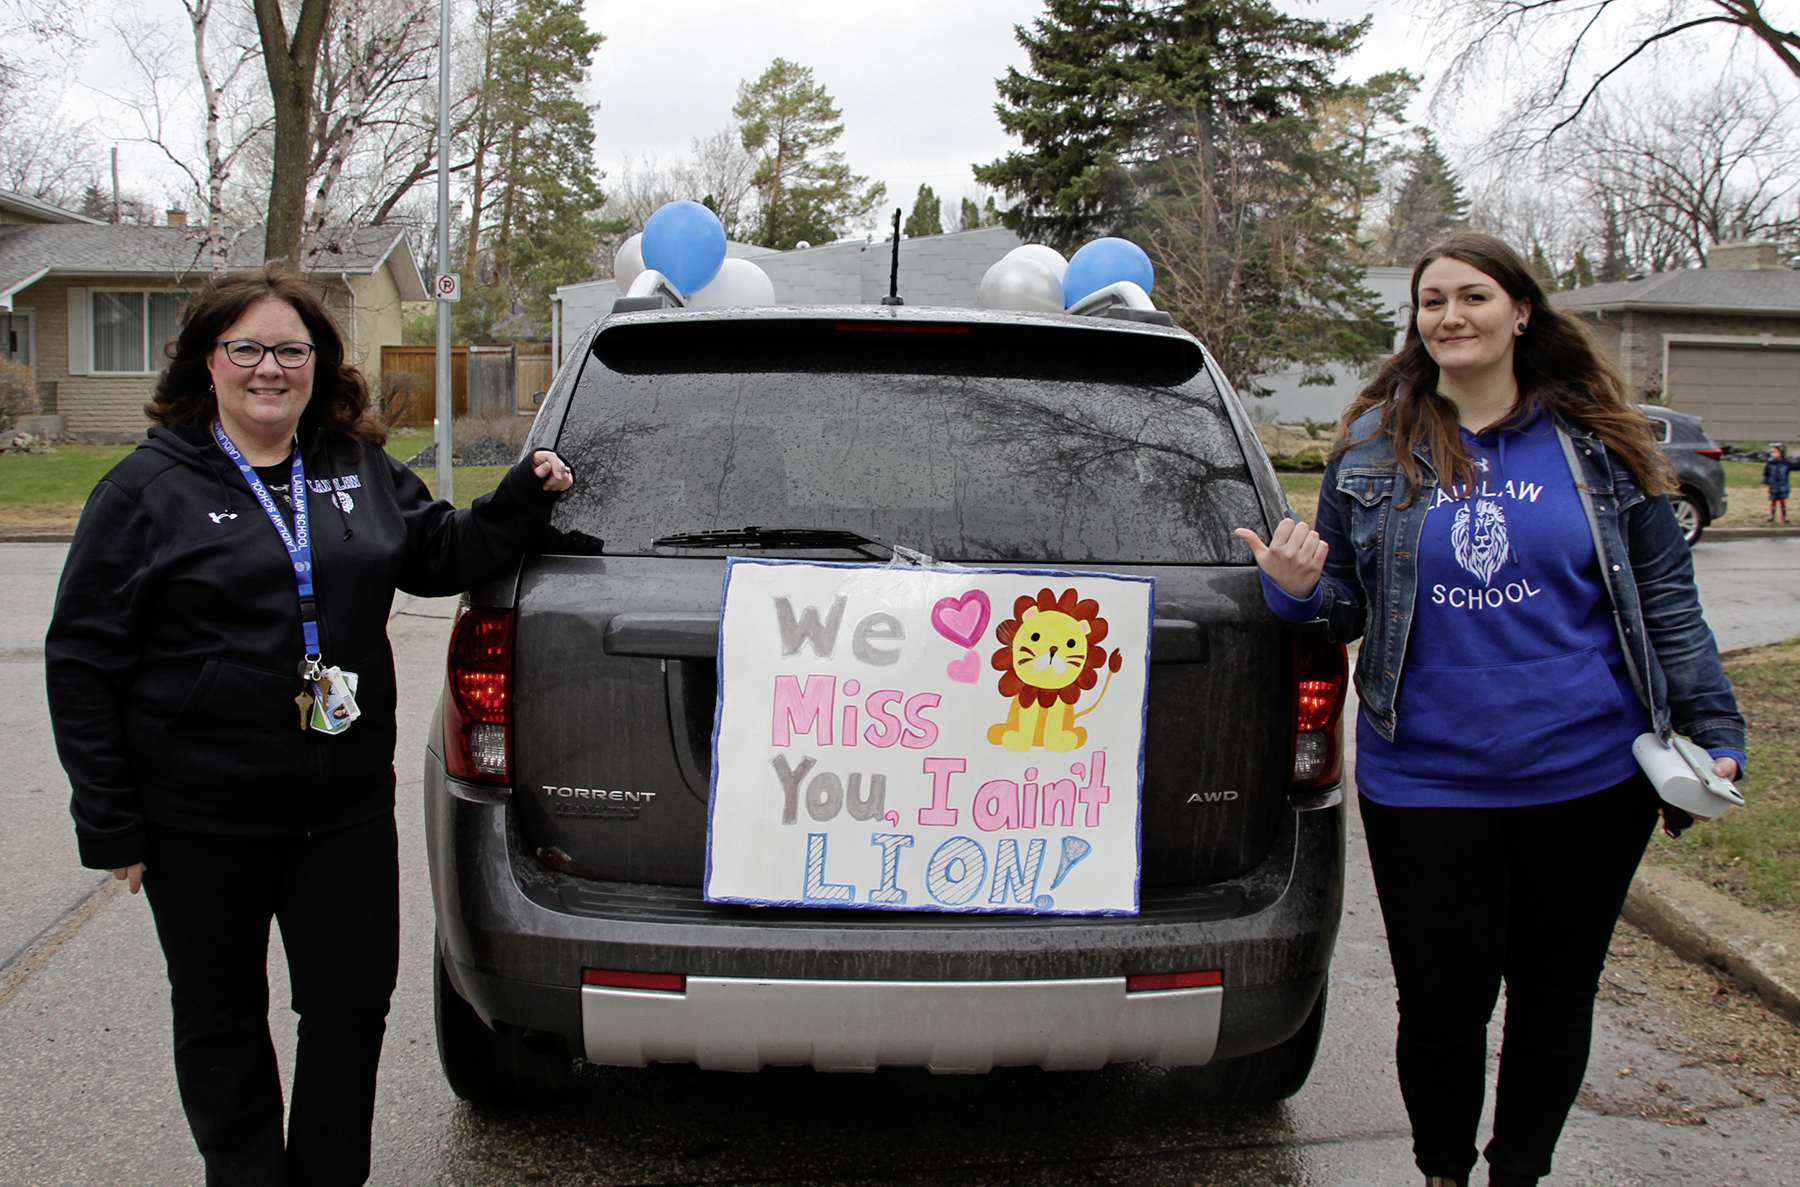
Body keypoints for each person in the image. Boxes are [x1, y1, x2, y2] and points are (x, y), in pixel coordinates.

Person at [1232, 232, 1745, 1187]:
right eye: (1433, 301)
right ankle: (1442, 1173)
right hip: (1426, 783)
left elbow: (1667, 603)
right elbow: (1347, 605)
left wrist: (1715, 731)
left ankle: (1520, 1173)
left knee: (1555, 998)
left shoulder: (1598, 444)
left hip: (1587, 782)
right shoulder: (1373, 450)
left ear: (1520, 312)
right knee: (1440, 1006)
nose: (1451, 316)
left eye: (1473, 296)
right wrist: (1297, 592)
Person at [45, 268, 573, 1185]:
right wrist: (110, 820)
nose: (270, 369)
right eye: (246, 348)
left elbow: (438, 551)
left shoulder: (353, 466)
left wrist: (522, 498)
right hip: (199, 817)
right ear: (207, 362)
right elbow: (83, 661)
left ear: (318, 364)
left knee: (351, 1005)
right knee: (220, 1016)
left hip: (342, 811)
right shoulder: (145, 489)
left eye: (291, 350)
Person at [1763, 441, 1790, 524]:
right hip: (1773, 486)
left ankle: (1784, 517)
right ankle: (1772, 516)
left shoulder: (1786, 463)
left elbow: (1796, 466)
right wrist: (1767, 483)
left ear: (1781, 453)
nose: (1773, 454)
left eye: (1775, 452)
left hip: (1782, 486)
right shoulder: (1770, 463)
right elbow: (1766, 473)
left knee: (1782, 501)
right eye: (1772, 452)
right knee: (1773, 501)